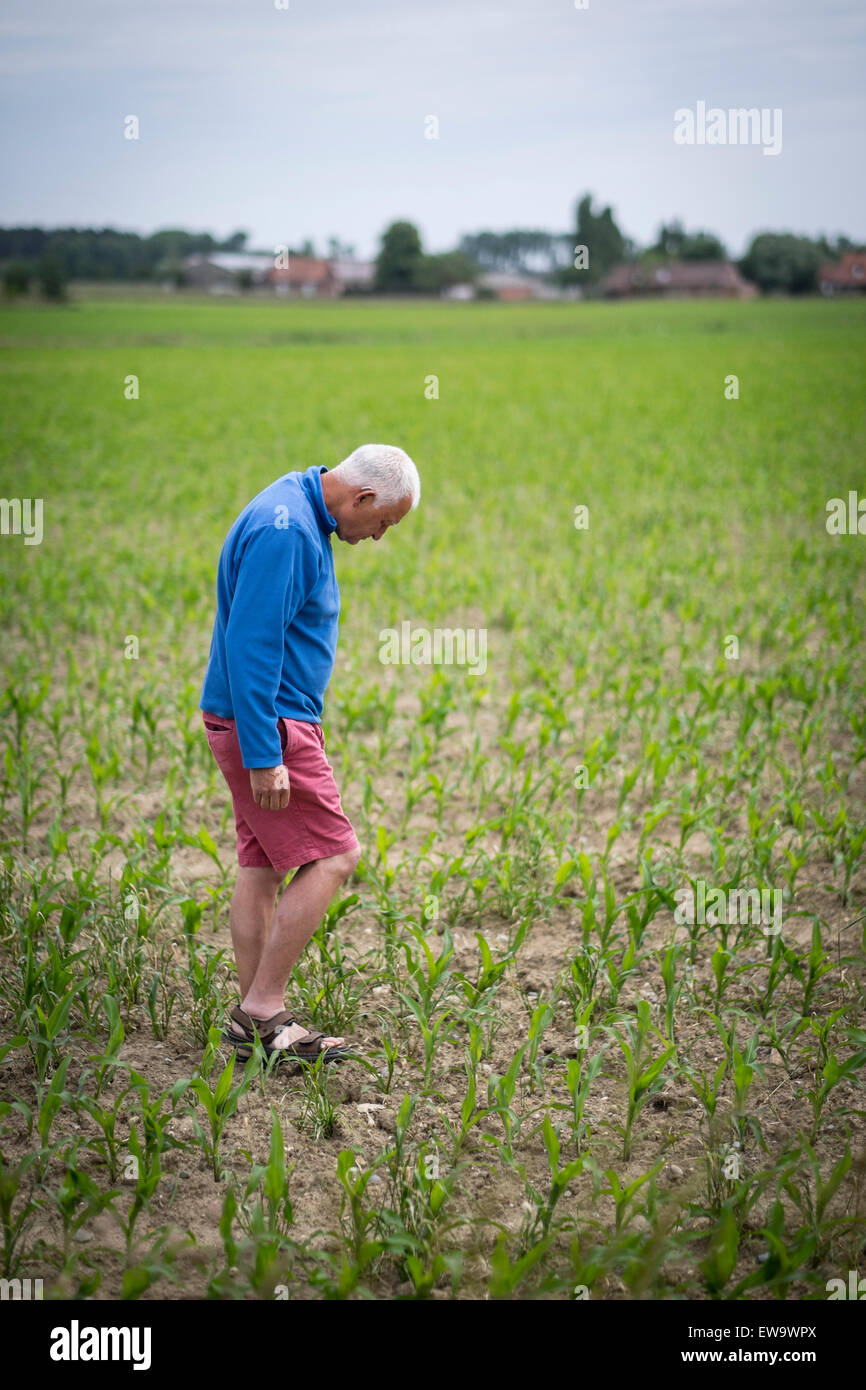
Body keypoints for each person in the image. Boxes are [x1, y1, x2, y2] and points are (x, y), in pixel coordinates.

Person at [199, 443, 420, 1063]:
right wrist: (266, 754)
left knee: (262, 867)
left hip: (256, 720)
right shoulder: (290, 531)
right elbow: (252, 644)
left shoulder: (294, 504)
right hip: (270, 725)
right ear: (364, 498)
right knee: (335, 859)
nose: (378, 537)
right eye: (383, 523)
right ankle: (264, 1009)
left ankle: (258, 1033)